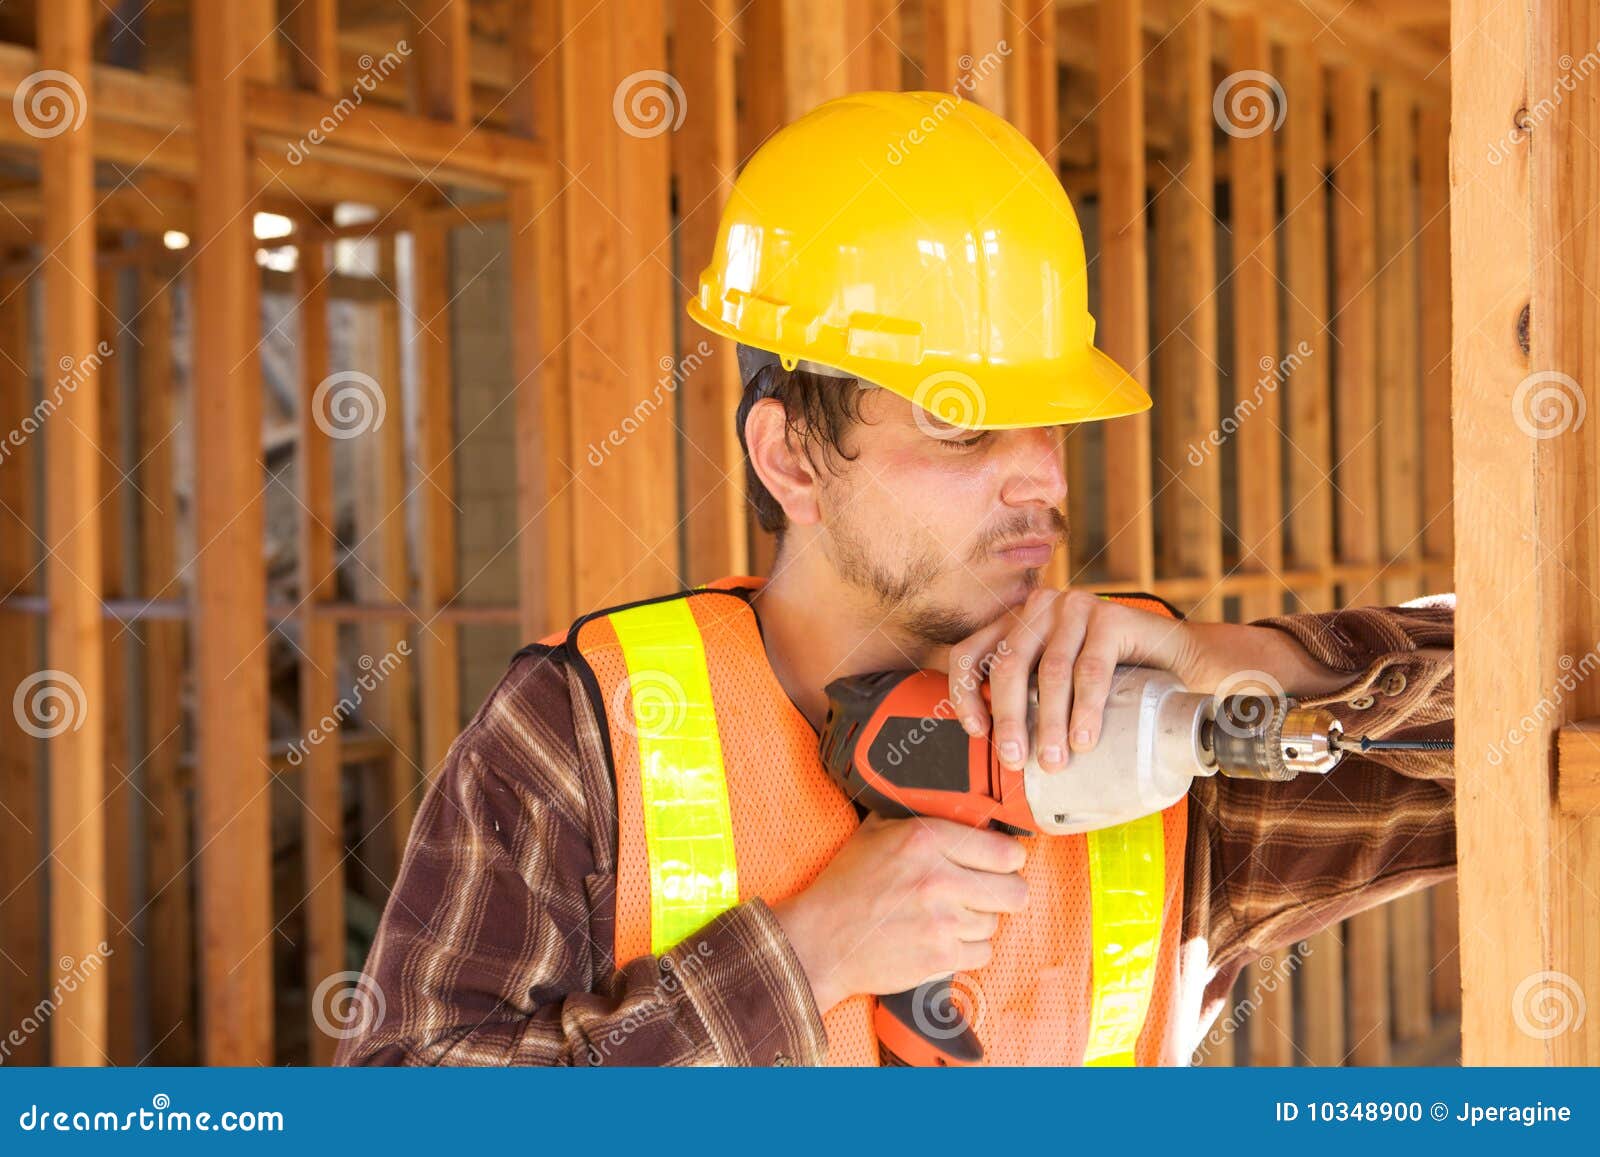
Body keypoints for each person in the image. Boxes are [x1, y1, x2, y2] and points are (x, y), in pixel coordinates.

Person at [334, 92, 1453, 1066]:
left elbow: (1552, 719)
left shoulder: (1142, 729)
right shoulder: (591, 731)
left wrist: (1259, 660)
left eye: (1048, 422)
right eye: (962, 427)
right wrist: (798, 957)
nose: (1041, 479)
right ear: (792, 457)